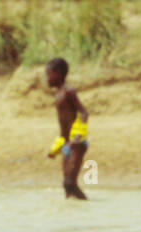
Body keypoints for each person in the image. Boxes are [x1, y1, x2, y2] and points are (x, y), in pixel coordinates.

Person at [45, 57, 89, 200]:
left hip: (76, 144)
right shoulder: (57, 93)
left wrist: (77, 136)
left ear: (58, 73)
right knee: (67, 186)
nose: (47, 79)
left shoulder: (69, 91)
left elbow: (84, 112)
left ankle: (86, 206)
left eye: (49, 74)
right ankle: (74, 213)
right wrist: (57, 146)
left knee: (70, 183)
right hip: (66, 144)